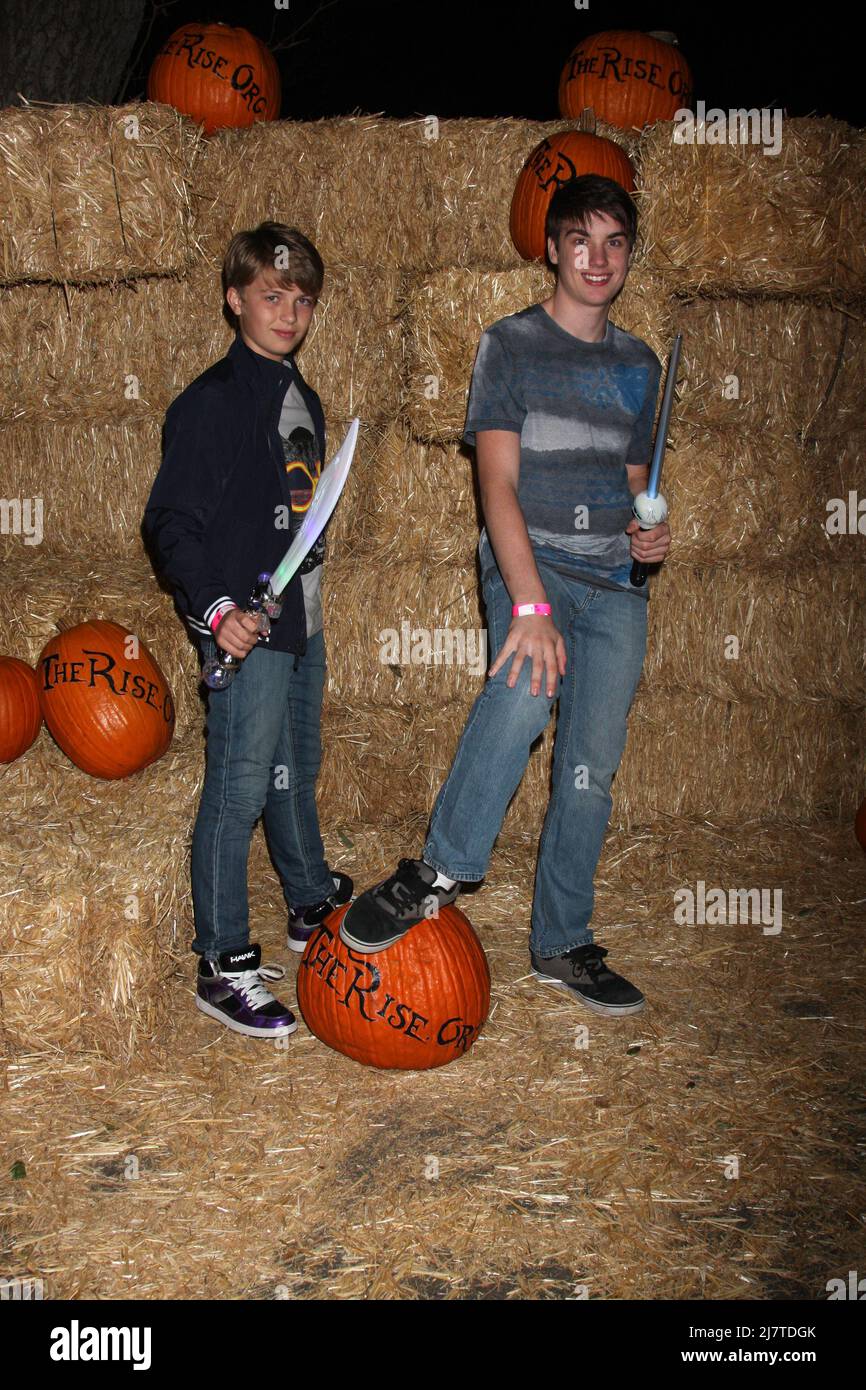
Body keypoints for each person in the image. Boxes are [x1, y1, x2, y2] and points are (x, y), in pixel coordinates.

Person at [340, 176, 670, 1017]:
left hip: (613, 584)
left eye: (615, 243)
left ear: (628, 257)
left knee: (589, 771)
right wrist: (528, 603)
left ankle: (562, 944)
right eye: (581, 240)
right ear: (552, 249)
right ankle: (436, 870)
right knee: (525, 693)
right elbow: (496, 484)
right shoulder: (510, 345)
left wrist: (650, 536)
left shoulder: (640, 365)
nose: (598, 259)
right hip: (536, 564)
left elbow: (637, 484)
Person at [144, 221, 352, 1039]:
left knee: (295, 769)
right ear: (235, 300)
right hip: (243, 626)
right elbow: (169, 523)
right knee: (236, 787)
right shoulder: (211, 403)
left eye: (302, 300)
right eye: (272, 296)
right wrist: (218, 611)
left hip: (302, 617)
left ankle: (307, 901)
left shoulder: (305, 398)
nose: (288, 313)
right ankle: (221, 962)